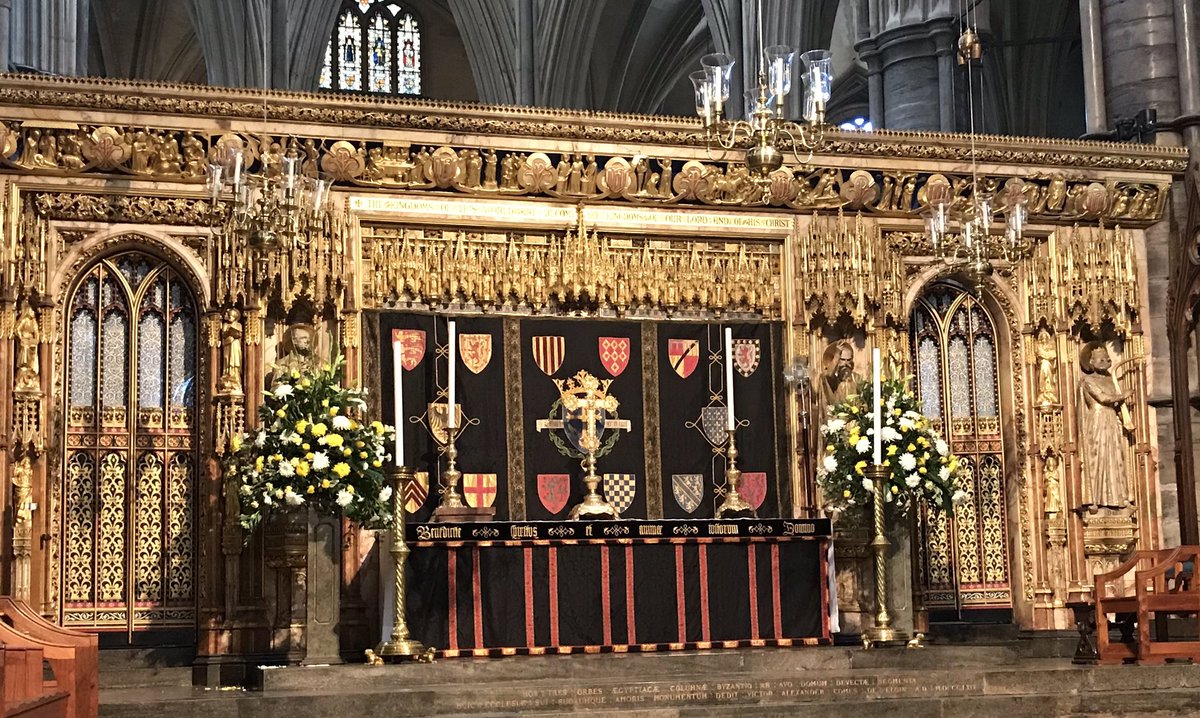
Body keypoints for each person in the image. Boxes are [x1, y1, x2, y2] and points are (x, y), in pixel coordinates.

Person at [1077, 342, 1134, 512]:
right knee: (1099, 458)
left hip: (1111, 420)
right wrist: (1122, 395)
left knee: (1115, 457)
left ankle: (1119, 498)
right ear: (1091, 362)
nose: (1106, 361)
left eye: (1107, 358)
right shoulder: (1087, 380)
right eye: (1101, 359)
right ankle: (1096, 499)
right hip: (1097, 420)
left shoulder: (1111, 380)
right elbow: (1102, 398)